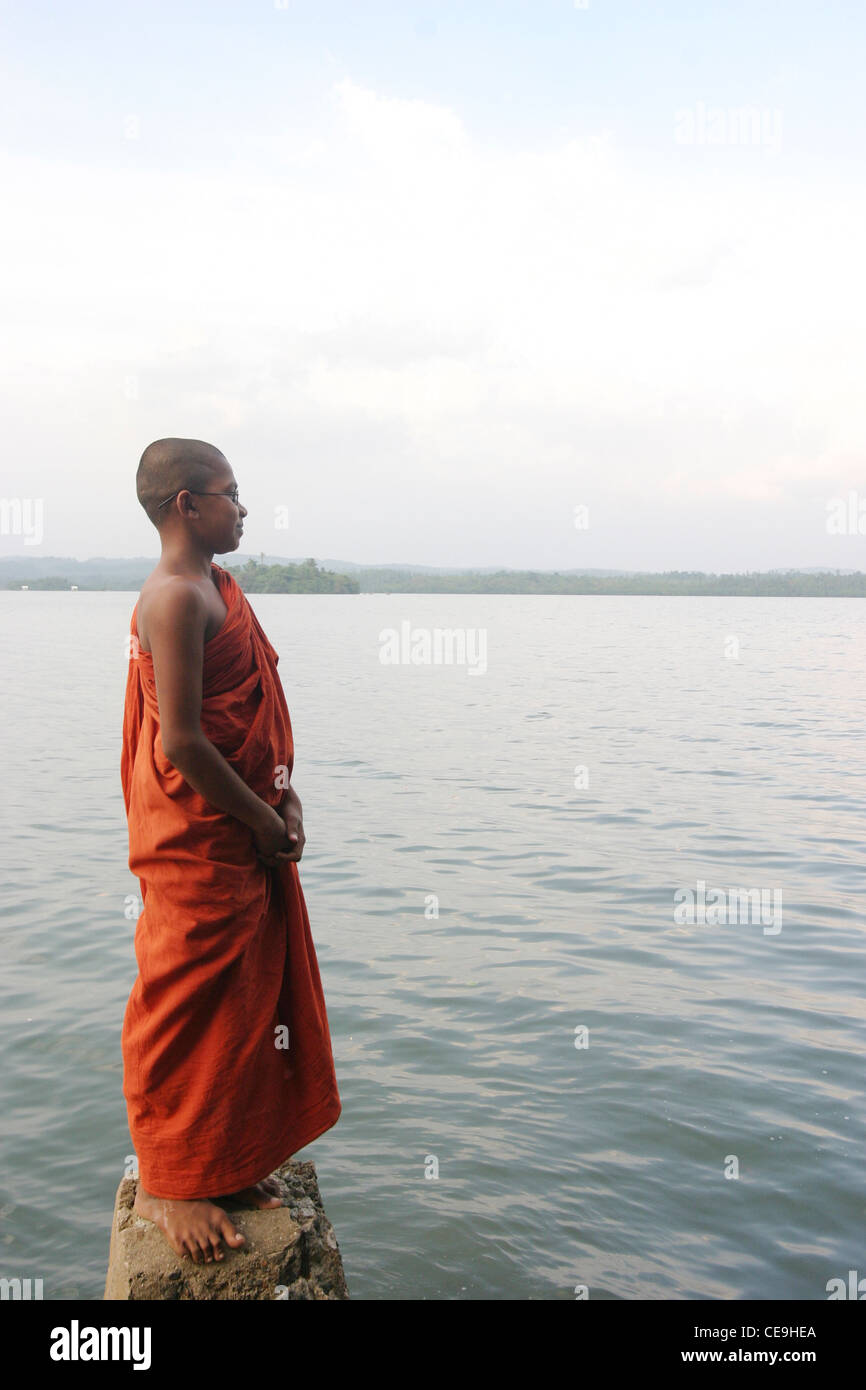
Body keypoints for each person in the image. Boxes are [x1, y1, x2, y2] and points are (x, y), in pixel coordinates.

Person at [120, 437, 341, 1265]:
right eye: (230, 494)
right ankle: (171, 1179)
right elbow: (181, 741)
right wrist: (255, 821)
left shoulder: (216, 586)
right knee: (185, 994)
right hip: (201, 842)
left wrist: (283, 796)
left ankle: (224, 1158)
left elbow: (245, 724)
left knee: (245, 997)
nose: (243, 509)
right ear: (187, 505)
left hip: (245, 824)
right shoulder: (175, 597)